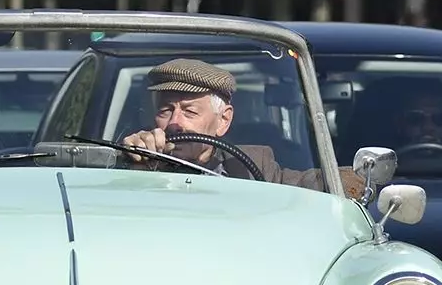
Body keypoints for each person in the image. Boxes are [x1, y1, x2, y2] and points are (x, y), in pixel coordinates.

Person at [120, 58, 366, 199]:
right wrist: (134, 161)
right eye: (166, 110)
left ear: (223, 121)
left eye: (190, 111)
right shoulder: (140, 159)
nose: (175, 122)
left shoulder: (251, 164)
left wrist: (363, 179)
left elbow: (307, 185)